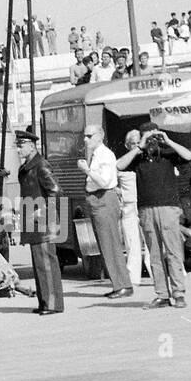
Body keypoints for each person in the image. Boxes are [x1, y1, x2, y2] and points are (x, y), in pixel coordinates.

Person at [118, 121, 191, 308]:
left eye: (154, 136)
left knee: (173, 252)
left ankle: (179, 293)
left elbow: (189, 156)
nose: (152, 141)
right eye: (148, 136)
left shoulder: (168, 154)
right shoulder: (138, 157)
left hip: (168, 207)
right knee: (154, 254)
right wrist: (139, 146)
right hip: (146, 209)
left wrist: (168, 141)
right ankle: (162, 294)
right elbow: (119, 165)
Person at [78, 124, 132, 296]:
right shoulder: (96, 155)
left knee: (110, 243)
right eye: (85, 136)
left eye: (89, 136)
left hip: (104, 198)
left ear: (99, 136)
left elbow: (104, 181)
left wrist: (87, 170)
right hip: (97, 199)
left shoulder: (105, 155)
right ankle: (118, 283)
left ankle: (122, 284)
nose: (85, 139)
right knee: (104, 243)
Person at [14, 130, 64, 315]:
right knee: (39, 265)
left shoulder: (41, 165)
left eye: (21, 146)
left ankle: (52, 304)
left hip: (43, 222)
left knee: (47, 264)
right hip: (33, 222)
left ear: (31, 145)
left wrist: (43, 210)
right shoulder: (28, 166)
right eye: (17, 146)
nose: (18, 149)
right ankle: (45, 301)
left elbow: (56, 190)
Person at [117, 129, 151, 288]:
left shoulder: (147, 160)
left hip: (146, 204)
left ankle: (156, 274)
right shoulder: (123, 162)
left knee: (151, 241)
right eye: (134, 144)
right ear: (126, 145)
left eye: (139, 142)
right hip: (130, 206)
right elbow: (111, 181)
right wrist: (120, 192)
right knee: (132, 242)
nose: (138, 146)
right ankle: (133, 278)